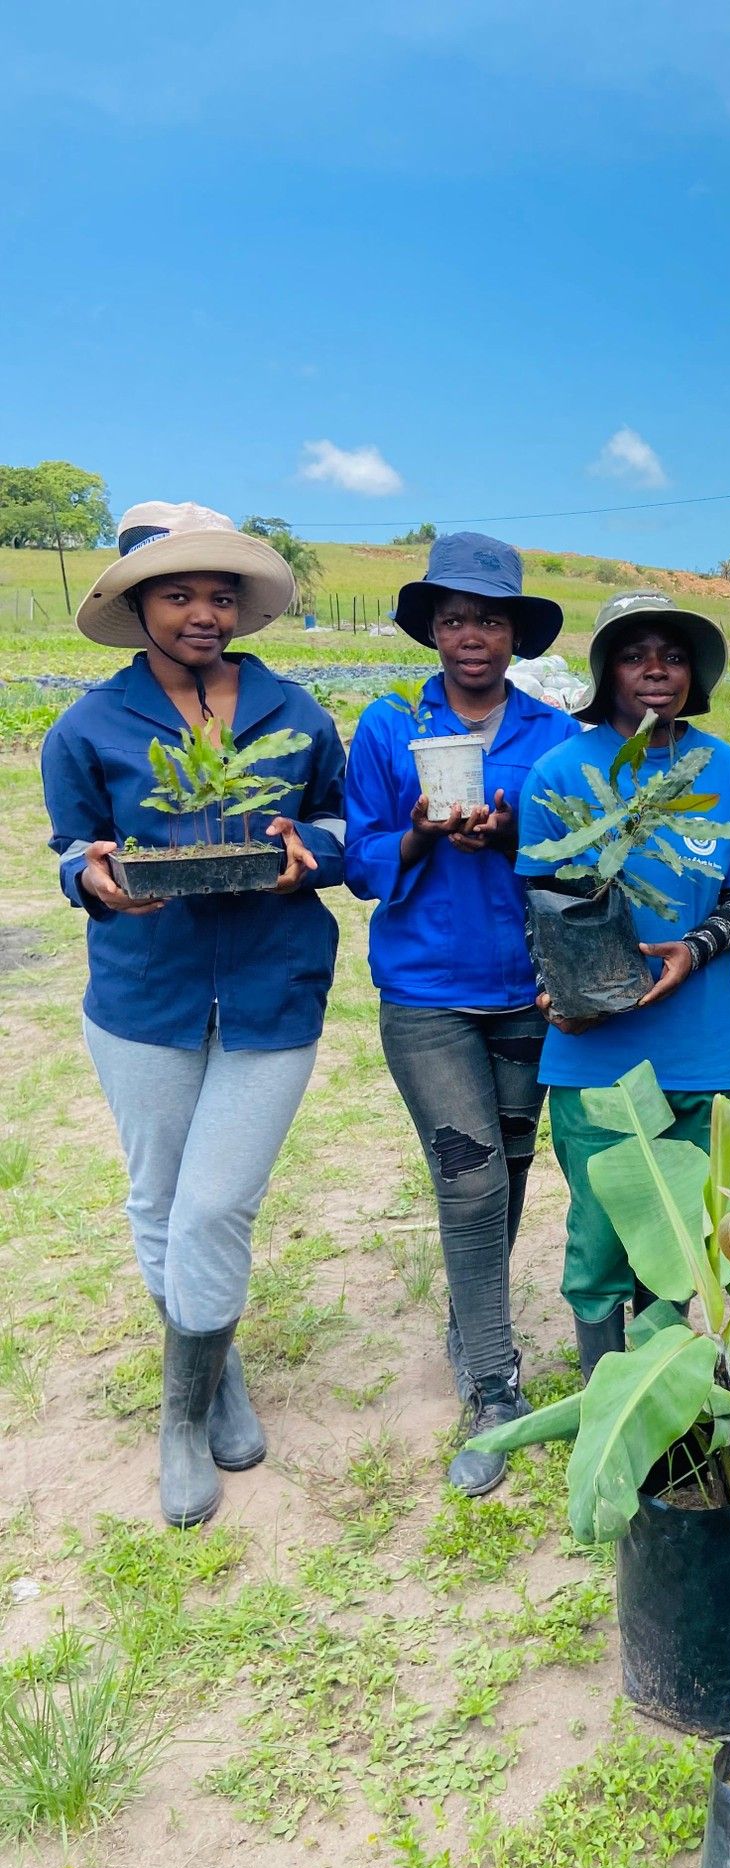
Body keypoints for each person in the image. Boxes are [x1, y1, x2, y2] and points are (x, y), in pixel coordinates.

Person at [41, 502, 346, 1527]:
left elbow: (342, 822)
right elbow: (71, 846)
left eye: (221, 594)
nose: (203, 611)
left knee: (214, 1204)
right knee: (158, 1196)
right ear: (137, 606)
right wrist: (90, 875)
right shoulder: (89, 725)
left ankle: (194, 1376)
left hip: (274, 985)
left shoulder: (298, 713)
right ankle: (200, 1396)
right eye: (178, 593)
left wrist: (314, 849)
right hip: (143, 994)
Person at [344, 534, 577, 1496]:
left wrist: (515, 825)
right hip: (427, 995)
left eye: (488, 618)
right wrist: (417, 834)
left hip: (526, 990)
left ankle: (469, 1319)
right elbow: (357, 864)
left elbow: (577, 857)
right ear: (431, 631)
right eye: (453, 619)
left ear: (515, 632)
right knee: (472, 1181)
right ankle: (492, 1384)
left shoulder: (553, 737)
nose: (471, 635)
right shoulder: (388, 726)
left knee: (512, 1169)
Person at [516, 591, 730, 1377]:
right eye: (635, 656)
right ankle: (609, 1387)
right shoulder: (562, 771)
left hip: (697, 1049)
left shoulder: (720, 766)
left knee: (680, 1240)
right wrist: (563, 988)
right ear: (606, 673)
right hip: (594, 1055)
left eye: (672, 656)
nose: (656, 671)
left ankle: (665, 1379)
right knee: (601, 1234)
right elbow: (538, 901)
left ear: (693, 673)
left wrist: (691, 951)